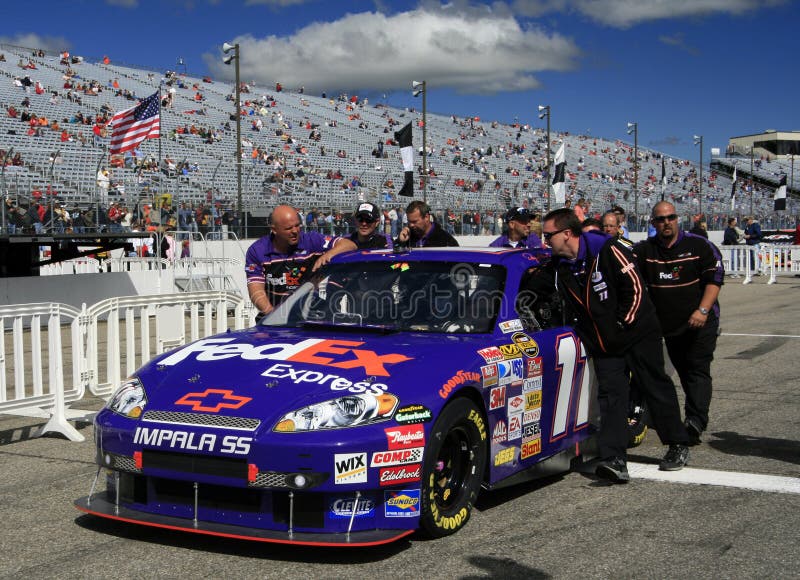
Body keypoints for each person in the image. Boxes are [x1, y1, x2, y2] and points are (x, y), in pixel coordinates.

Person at [541, 208, 690, 482]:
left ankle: (677, 443)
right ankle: (614, 458)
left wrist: (622, 324)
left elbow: (635, 289)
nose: (544, 241)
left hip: (637, 332)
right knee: (611, 397)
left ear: (567, 233)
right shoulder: (560, 267)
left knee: (653, 386)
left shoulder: (607, 249)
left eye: (548, 235)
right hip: (604, 342)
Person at [633, 202, 724, 445]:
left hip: (700, 321)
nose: (666, 222)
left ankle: (695, 422)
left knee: (696, 369)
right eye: (661, 219)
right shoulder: (645, 250)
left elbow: (714, 280)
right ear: (653, 223)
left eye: (671, 217)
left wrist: (702, 310)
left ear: (677, 219)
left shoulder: (699, 245)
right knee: (683, 371)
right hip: (669, 326)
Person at [245, 205, 356, 319]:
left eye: (297, 225)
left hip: (308, 315)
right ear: (274, 230)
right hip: (272, 315)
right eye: (288, 228)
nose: (295, 231)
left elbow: (349, 245)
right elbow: (256, 290)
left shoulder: (312, 240)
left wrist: (328, 254)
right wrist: (273, 316)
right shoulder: (257, 251)